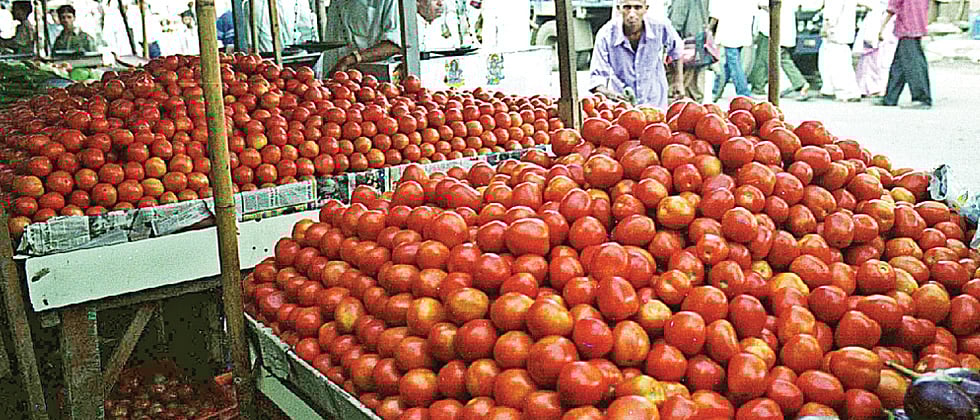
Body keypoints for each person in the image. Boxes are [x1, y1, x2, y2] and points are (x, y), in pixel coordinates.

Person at [589, 0, 683, 110]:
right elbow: (597, 76)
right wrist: (610, 94)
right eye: (627, 7)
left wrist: (678, 81)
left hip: (655, 100)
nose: (632, 14)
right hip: (622, 104)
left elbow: (677, 50)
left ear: (645, 9)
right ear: (619, 9)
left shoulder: (660, 26)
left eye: (637, 8)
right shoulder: (606, 34)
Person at [746, 0, 810, 98]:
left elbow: (768, 5)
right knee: (782, 58)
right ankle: (800, 83)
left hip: (769, 29)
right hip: (783, 28)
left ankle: (758, 88)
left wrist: (757, 5)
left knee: (762, 59)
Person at [873, 0, 931, 109]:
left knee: (913, 64)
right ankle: (890, 97)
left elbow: (893, 6)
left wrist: (881, 27)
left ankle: (921, 98)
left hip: (907, 24)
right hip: (917, 23)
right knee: (899, 65)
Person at [319, 0, 402, 76]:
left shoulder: (390, 2)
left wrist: (350, 60)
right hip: (333, 80)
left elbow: (393, 45)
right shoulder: (336, 2)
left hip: (371, 81)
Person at [815, 0, 861, 102]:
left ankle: (844, 92)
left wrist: (825, 28)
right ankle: (831, 89)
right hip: (845, 34)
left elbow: (831, 16)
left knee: (836, 65)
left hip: (835, 34)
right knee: (842, 63)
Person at [709, 0, 755, 102]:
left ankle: (743, 93)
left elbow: (715, 14)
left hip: (729, 30)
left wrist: (708, 29)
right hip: (743, 29)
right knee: (729, 63)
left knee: (733, 63)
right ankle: (717, 89)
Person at [668, 0, 709, 102]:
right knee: (695, 88)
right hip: (698, 44)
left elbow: (676, 22)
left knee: (681, 91)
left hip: (686, 47)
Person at [854, 0, 897, 97]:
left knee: (881, 59)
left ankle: (878, 87)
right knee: (870, 60)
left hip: (884, 22)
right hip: (876, 22)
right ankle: (868, 87)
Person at [243, 0, 316, 52]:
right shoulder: (252, 5)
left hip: (267, 63)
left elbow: (250, 46)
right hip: (296, 58)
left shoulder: (251, 5)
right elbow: (308, 30)